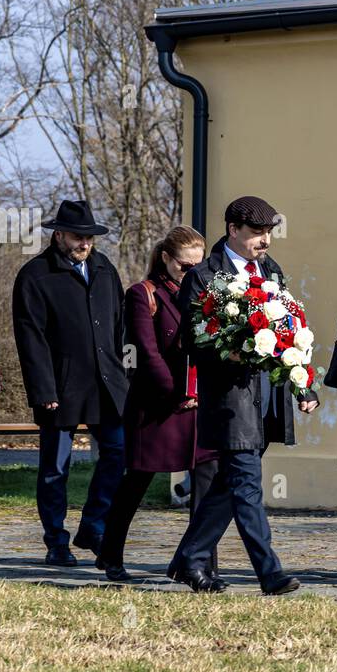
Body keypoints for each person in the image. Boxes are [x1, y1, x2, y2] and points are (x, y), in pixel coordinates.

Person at [167, 196, 318, 595]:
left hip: (268, 394)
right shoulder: (203, 276)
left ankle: (189, 559)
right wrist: (229, 349)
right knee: (248, 484)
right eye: (256, 232)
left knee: (228, 486)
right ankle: (270, 573)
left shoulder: (271, 270)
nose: (265, 240)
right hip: (230, 396)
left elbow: (289, 334)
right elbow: (192, 341)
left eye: (269, 232)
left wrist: (304, 384)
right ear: (233, 230)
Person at [96, 226, 218, 583]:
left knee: (208, 481)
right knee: (138, 479)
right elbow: (146, 353)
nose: (192, 272)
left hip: (199, 403)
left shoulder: (209, 292)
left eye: (199, 265)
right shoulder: (141, 294)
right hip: (158, 404)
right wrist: (177, 392)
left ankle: (199, 563)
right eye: (184, 265)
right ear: (165, 259)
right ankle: (110, 551)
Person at [12, 199, 129, 567]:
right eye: (78, 236)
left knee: (120, 453)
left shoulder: (104, 268)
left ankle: (93, 525)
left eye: (90, 237)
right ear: (58, 234)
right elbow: (31, 339)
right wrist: (43, 389)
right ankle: (55, 541)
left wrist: (125, 374)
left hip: (107, 383)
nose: (85, 244)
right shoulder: (35, 275)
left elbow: (118, 325)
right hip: (60, 387)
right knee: (54, 470)